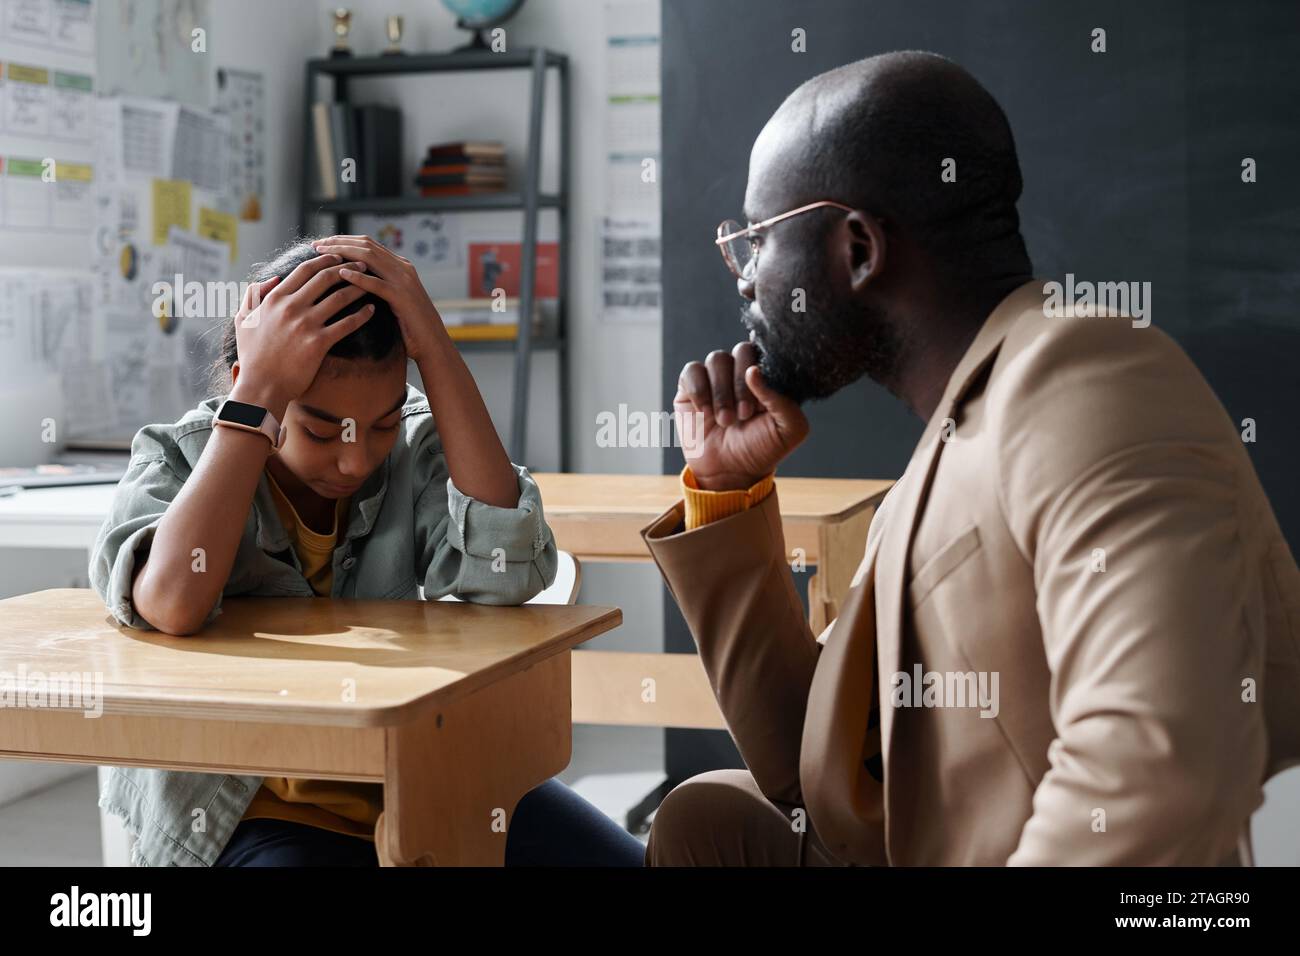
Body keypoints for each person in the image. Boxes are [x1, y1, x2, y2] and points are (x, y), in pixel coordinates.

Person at [641, 51, 1300, 865]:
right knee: (707, 819)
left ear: (856, 251)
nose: (744, 281)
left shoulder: (1089, 381)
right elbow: (808, 770)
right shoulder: (950, 441)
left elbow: (1159, 771)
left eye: (757, 241)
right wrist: (726, 493)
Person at [89, 235, 645, 867]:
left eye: (382, 423)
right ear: (254, 385)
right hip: (255, 806)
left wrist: (434, 347)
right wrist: (260, 394)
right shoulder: (176, 458)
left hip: (416, 777)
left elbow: (508, 571)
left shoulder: (414, 452)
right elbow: (172, 604)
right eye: (322, 429)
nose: (355, 459)